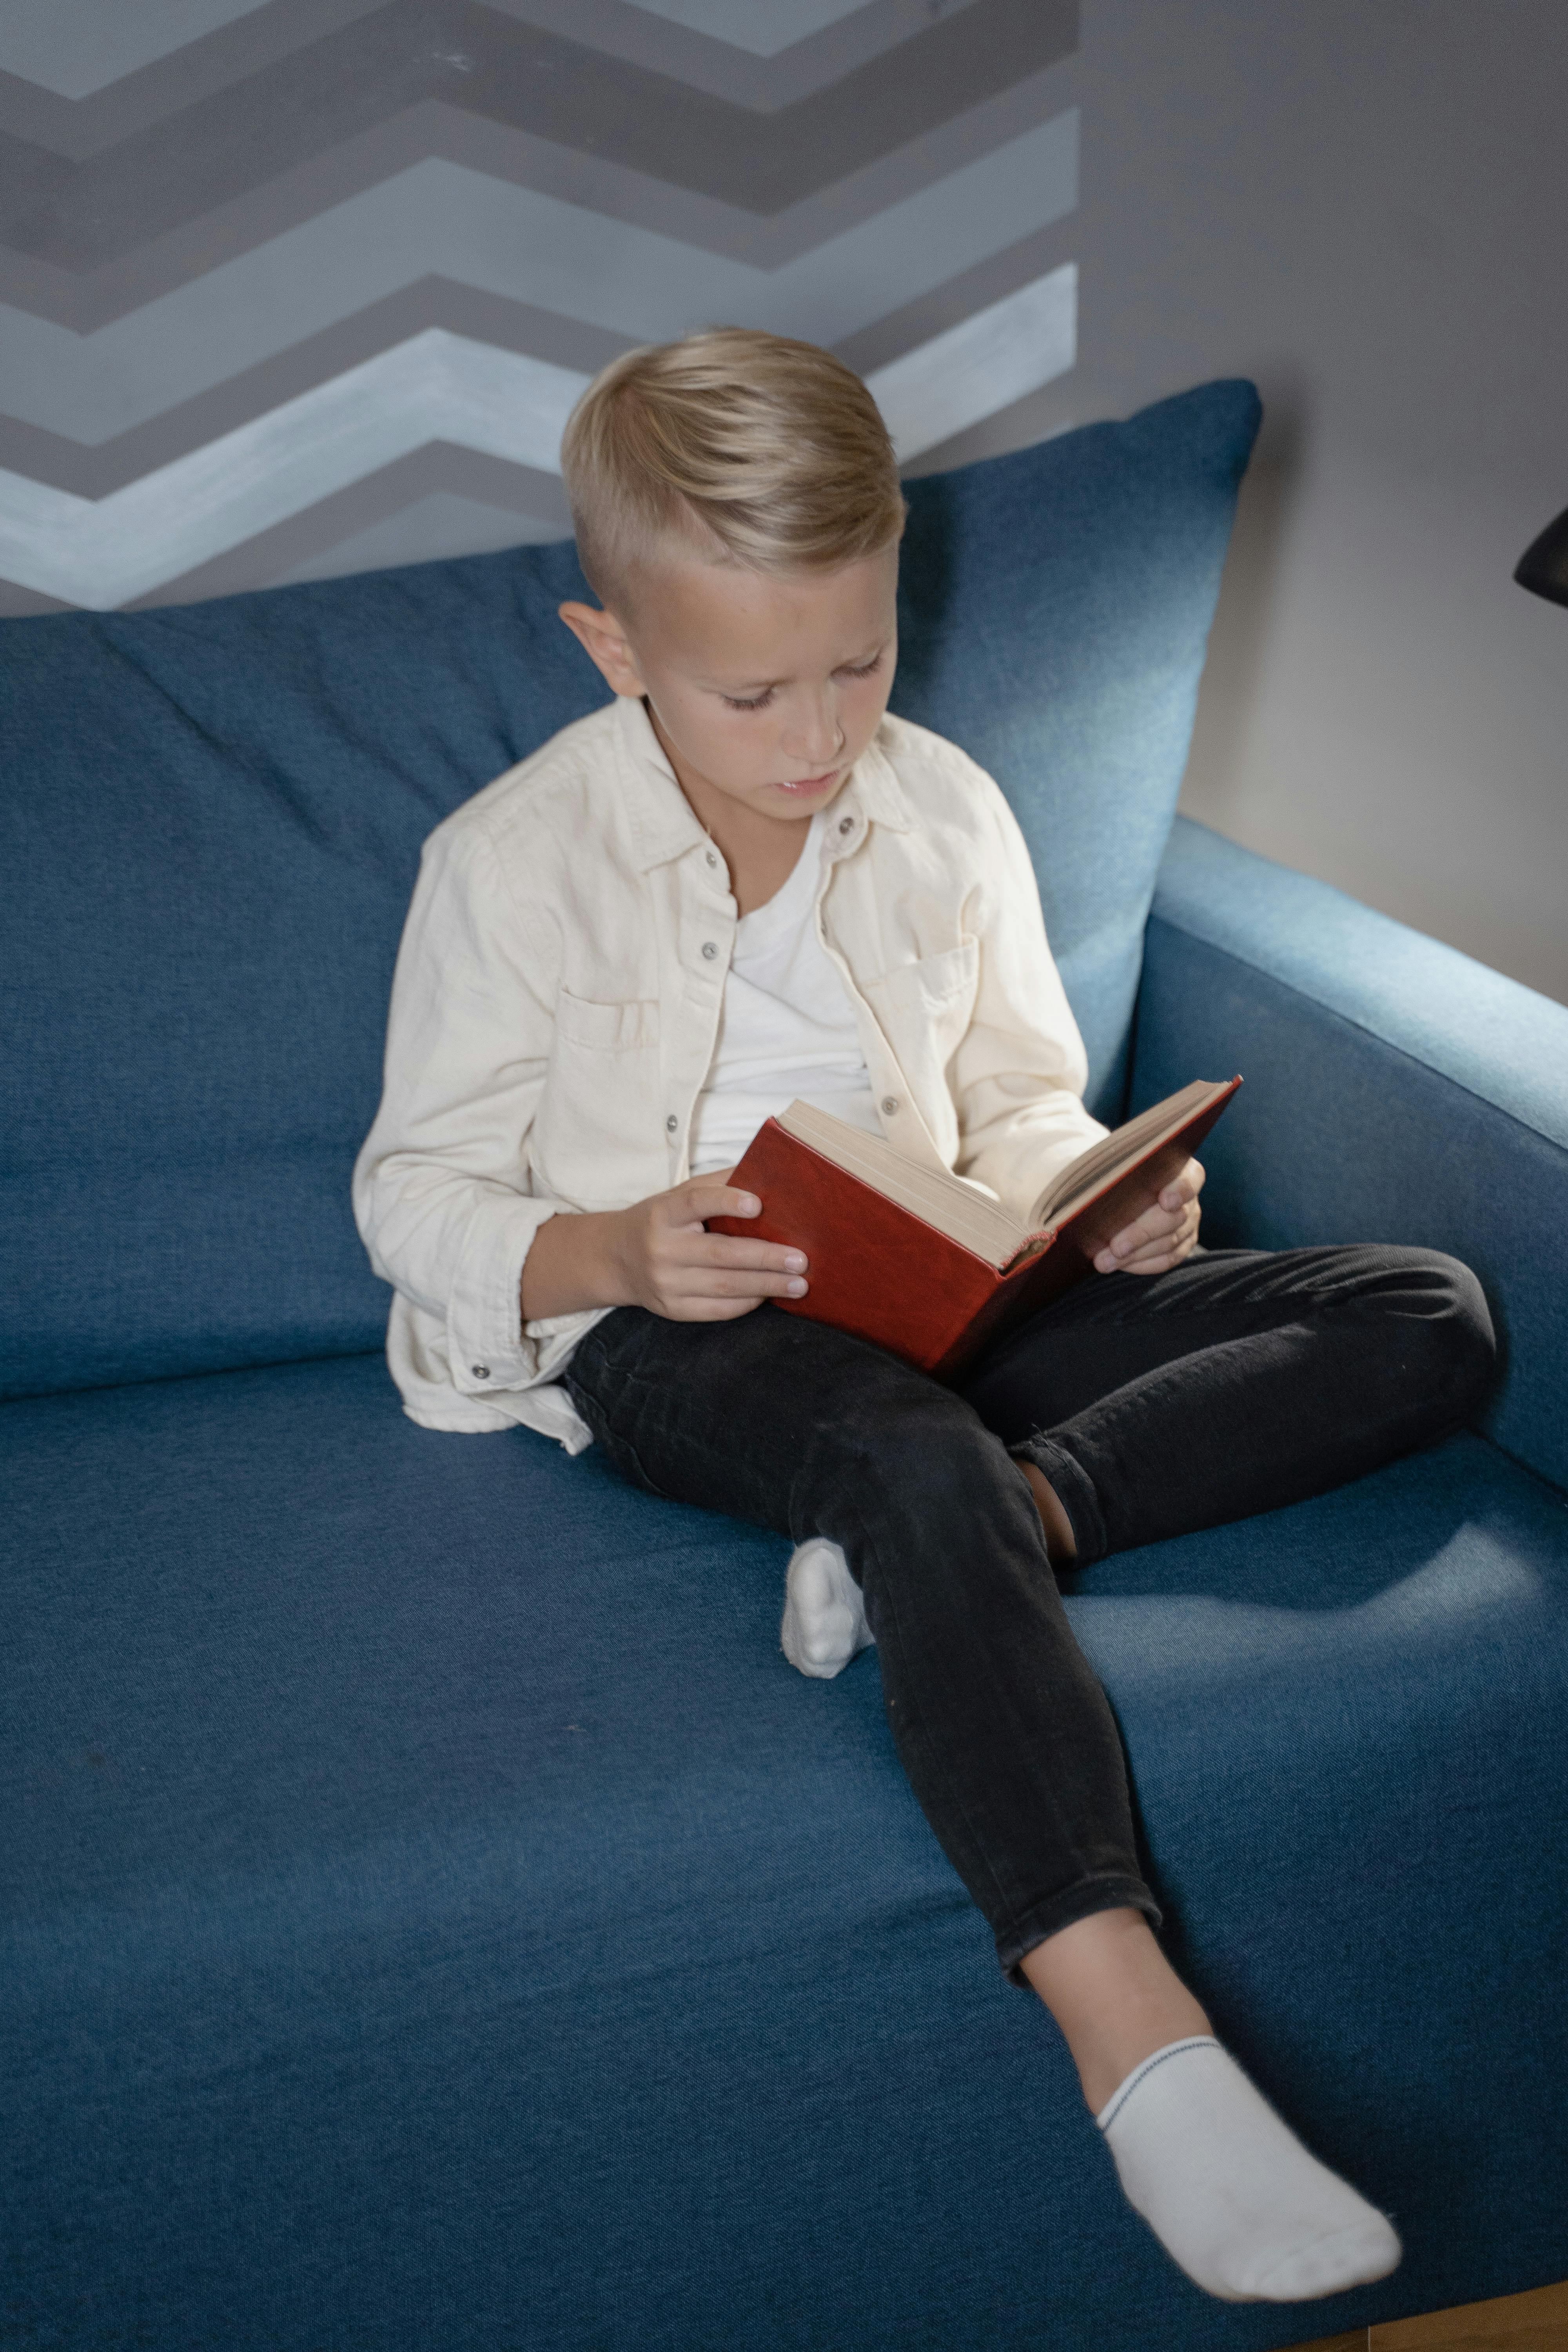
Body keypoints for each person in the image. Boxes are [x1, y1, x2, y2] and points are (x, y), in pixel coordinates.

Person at [353, 328, 1495, 2306]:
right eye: (753, 691)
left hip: (955, 1304)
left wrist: (1096, 1193)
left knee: (1425, 1310)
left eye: (861, 664)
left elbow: (1018, 1099)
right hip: (686, 1330)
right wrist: (610, 1252)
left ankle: (987, 1529)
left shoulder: (944, 808)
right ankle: (1136, 2041)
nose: (821, 735)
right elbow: (411, 1194)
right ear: (614, 650)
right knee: (900, 1449)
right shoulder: (511, 864)